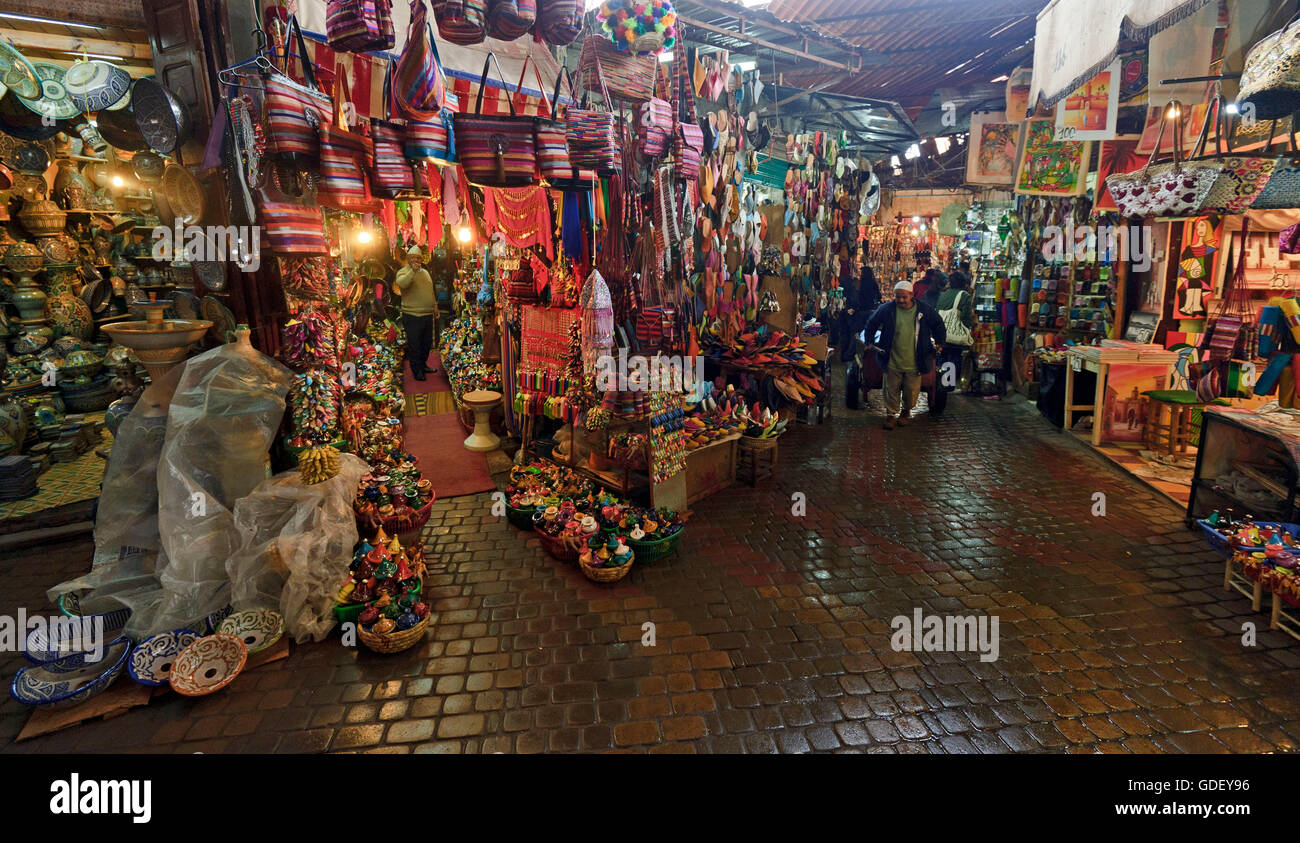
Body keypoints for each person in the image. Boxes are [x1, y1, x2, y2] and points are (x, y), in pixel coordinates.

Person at [864, 279, 947, 429]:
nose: (901, 300)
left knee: (912, 391)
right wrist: (869, 340)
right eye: (898, 297)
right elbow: (872, 322)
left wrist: (940, 341)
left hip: (915, 360)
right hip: (892, 358)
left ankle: (906, 412)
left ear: (911, 296)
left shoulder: (924, 310)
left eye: (904, 297)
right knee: (891, 389)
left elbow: (938, 324)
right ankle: (890, 415)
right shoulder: (887, 309)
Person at [395, 244, 439, 381]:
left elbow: (430, 291)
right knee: (415, 344)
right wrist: (412, 272)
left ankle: (423, 365)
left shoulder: (425, 273)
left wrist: (435, 307)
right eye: (412, 257)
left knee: (427, 343)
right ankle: (417, 370)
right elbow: (402, 284)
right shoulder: (403, 272)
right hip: (412, 315)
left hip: (427, 314)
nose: (415, 260)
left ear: (421, 259)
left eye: (418, 258)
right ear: (408, 259)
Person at [935, 270, 974, 397]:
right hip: (954, 333)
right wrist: (969, 326)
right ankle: (948, 386)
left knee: (942, 357)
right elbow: (966, 317)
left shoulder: (943, 295)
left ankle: (940, 383)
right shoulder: (964, 295)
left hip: (941, 332)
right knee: (953, 358)